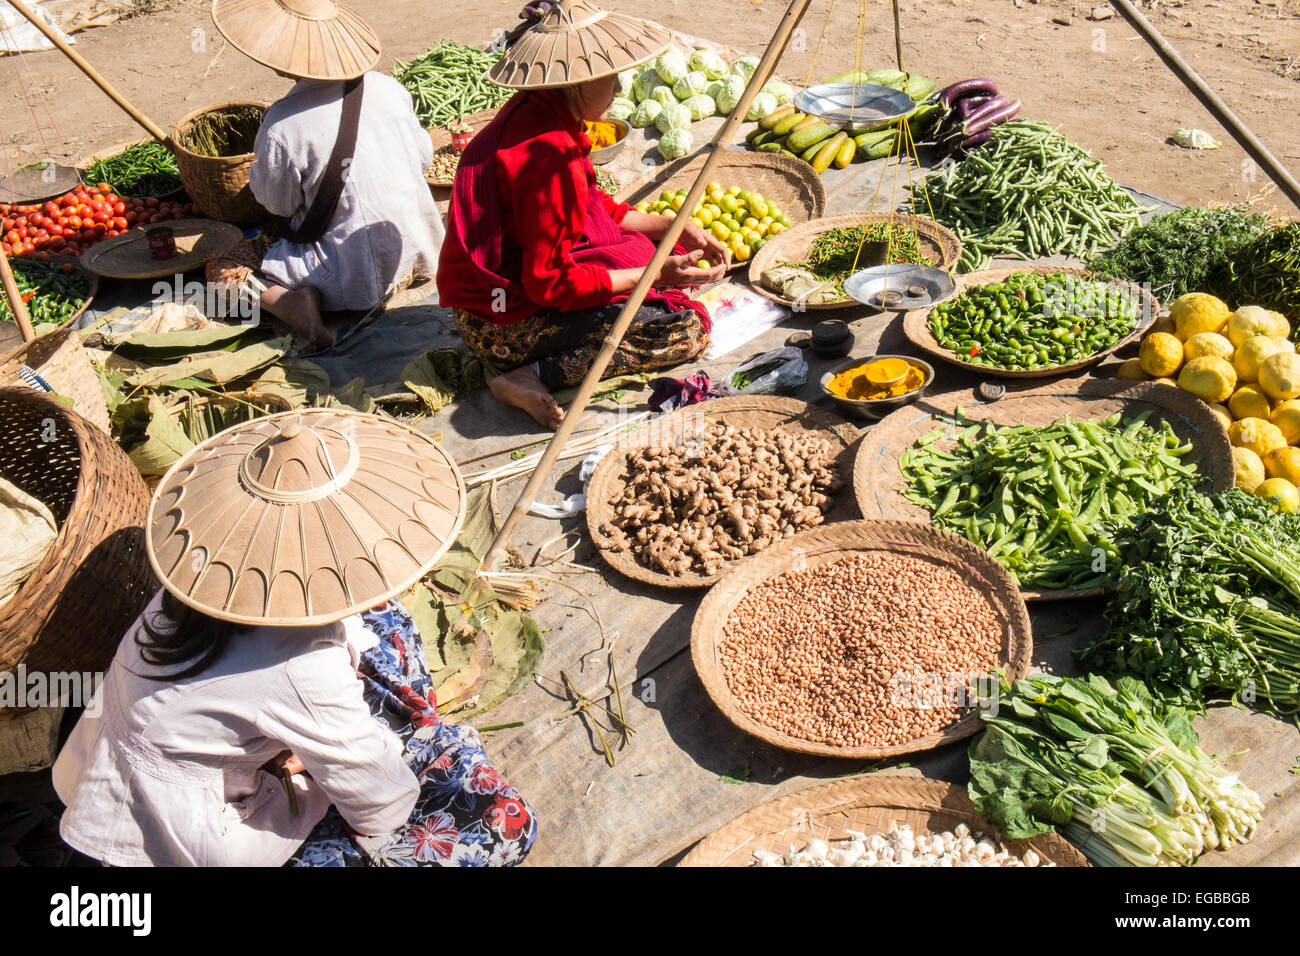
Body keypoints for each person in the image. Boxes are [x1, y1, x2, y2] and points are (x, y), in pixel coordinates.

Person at [52, 411, 535, 867]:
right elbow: (381, 808)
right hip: (179, 829)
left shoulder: (196, 584)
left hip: (119, 765)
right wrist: (375, 756)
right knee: (503, 825)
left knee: (382, 617)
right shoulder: (300, 667)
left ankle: (348, 738)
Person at [438, 0, 730, 430]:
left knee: (636, 248)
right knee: (684, 329)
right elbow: (549, 282)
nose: (617, 89)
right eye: (608, 78)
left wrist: (670, 226)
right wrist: (653, 276)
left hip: (485, 305)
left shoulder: (536, 112)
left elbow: (596, 207)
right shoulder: (548, 155)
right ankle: (528, 376)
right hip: (503, 327)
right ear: (576, 83)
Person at [206, 0, 444, 352]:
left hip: (349, 279)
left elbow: (278, 203)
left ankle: (288, 304)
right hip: (418, 251)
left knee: (220, 266)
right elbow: (423, 158)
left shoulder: (281, 124)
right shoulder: (388, 87)